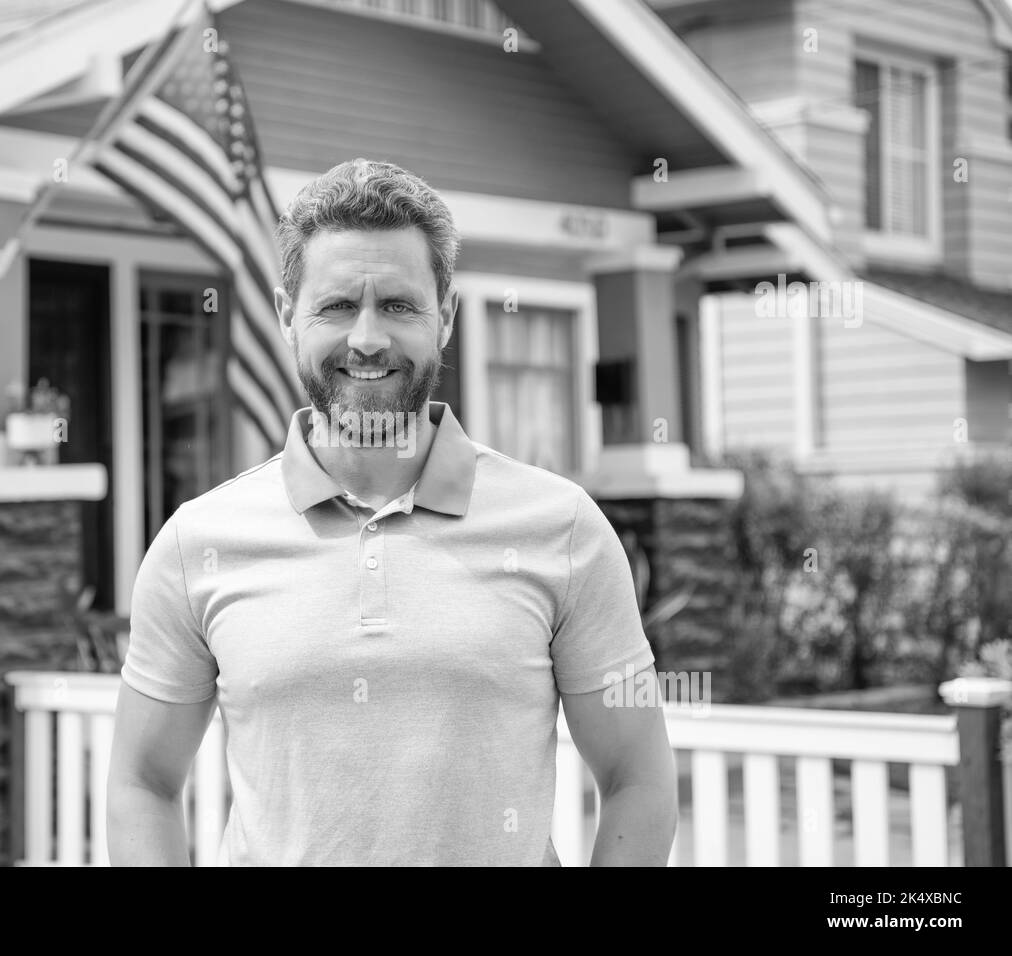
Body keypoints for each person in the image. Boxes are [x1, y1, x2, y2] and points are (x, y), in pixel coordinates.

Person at [107, 158, 678, 866]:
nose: (368, 338)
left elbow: (639, 780)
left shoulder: (563, 529)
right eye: (338, 306)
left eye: (399, 306)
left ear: (446, 317)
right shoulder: (199, 542)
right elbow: (143, 782)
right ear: (288, 316)